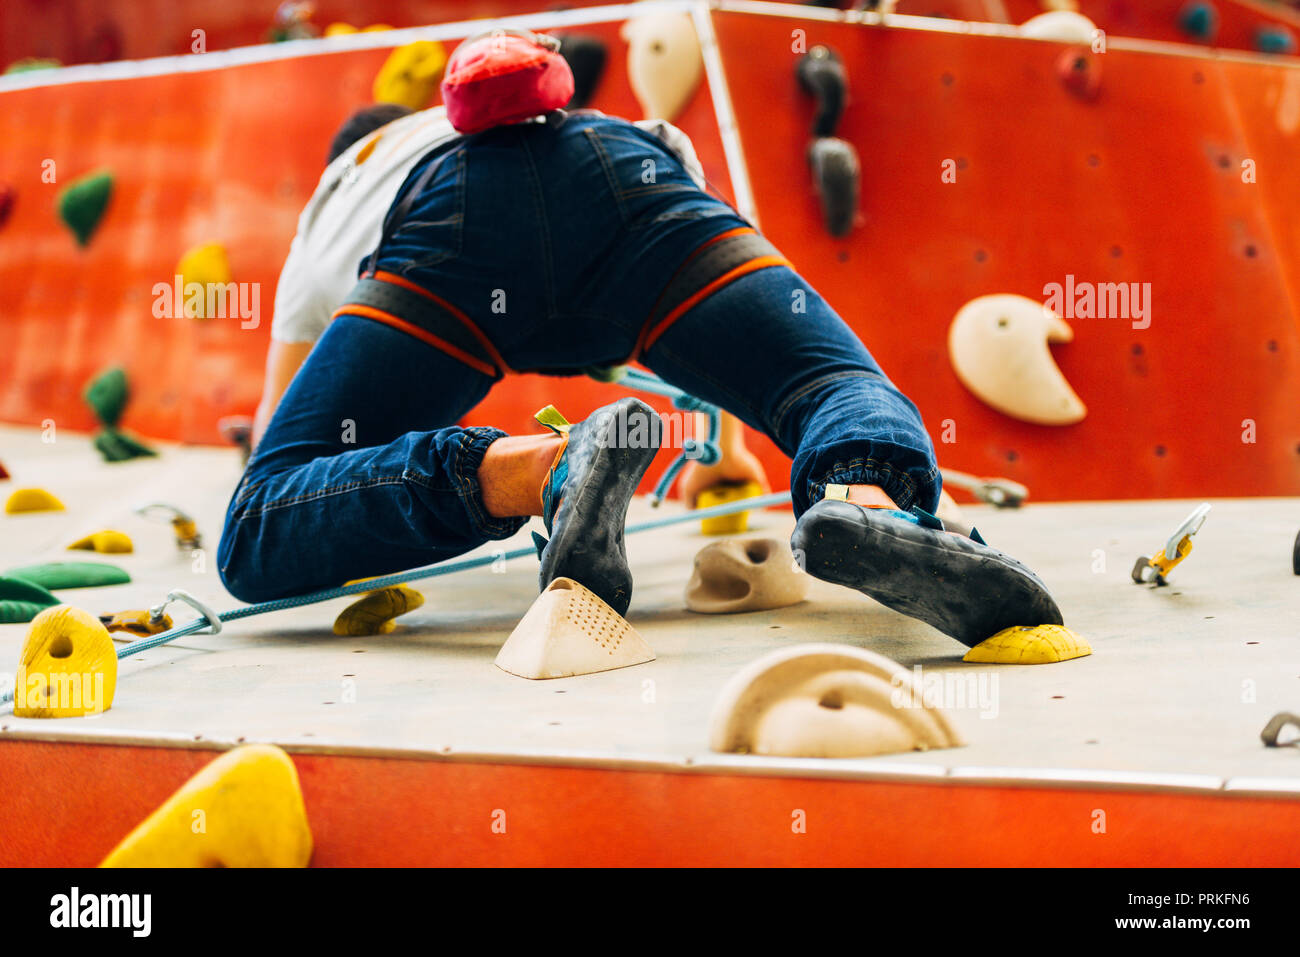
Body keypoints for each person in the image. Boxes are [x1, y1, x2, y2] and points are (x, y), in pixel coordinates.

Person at [219, 32, 1061, 647]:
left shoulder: (337, 196)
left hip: (452, 235)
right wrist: (727, 447)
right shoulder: (572, 124)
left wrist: (350, 495)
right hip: (628, 172)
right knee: (824, 384)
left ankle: (545, 468)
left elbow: (279, 448)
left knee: (259, 524)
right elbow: (731, 302)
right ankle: (861, 496)